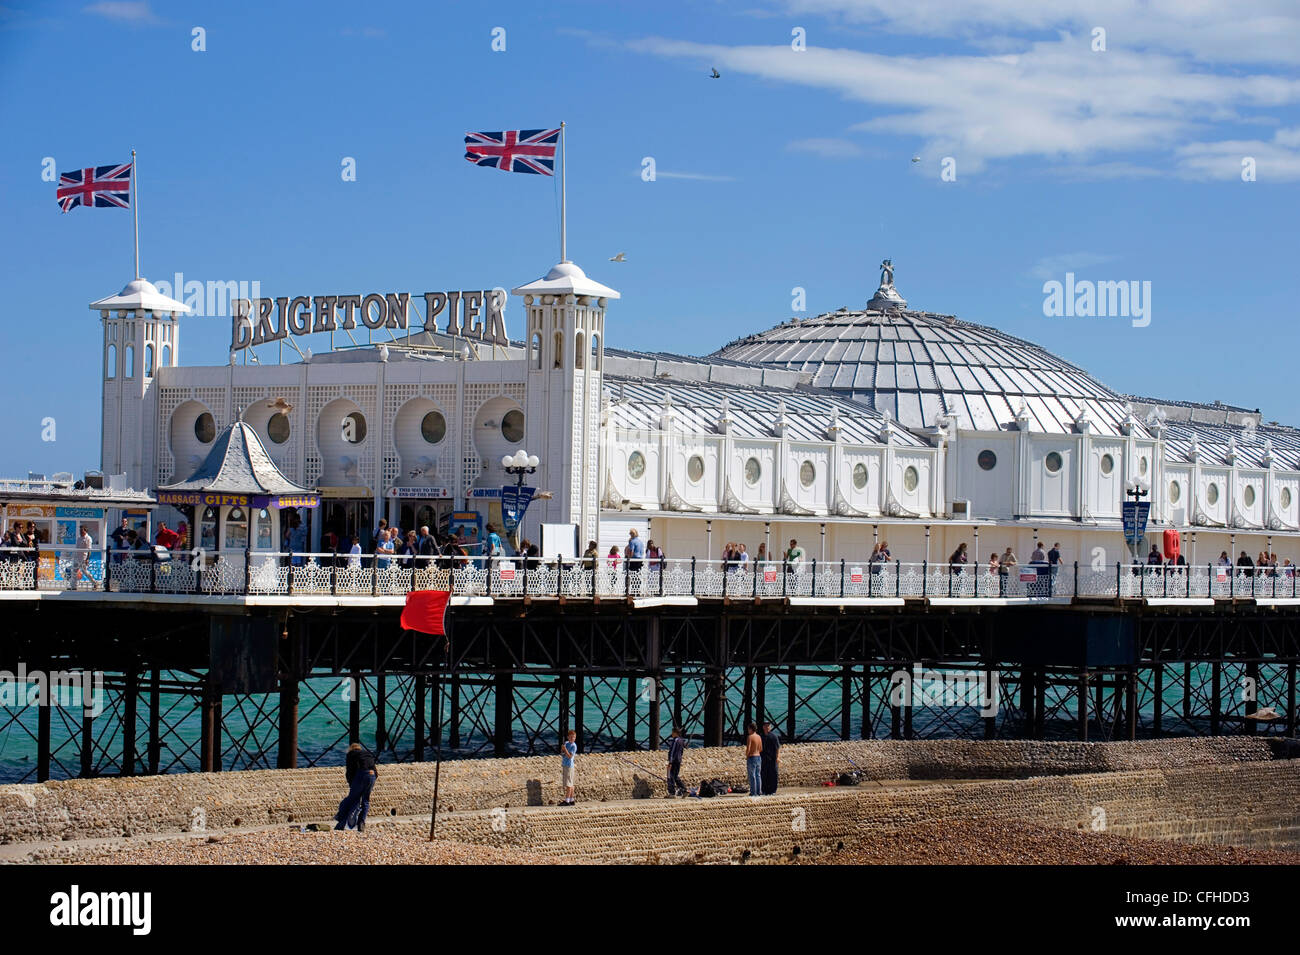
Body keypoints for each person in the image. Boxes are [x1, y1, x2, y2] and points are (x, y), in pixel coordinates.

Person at [334, 742, 378, 832]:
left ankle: (340, 822)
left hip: (361, 775)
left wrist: (351, 784)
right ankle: (361, 823)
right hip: (372, 775)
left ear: (351, 749)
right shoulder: (367, 754)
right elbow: (375, 771)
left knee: (351, 799)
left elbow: (350, 771)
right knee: (365, 801)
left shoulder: (351, 754)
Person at [665, 726, 687, 798]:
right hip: (678, 760)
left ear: (675, 733)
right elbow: (682, 751)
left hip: (674, 760)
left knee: (670, 776)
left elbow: (672, 751)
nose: (671, 734)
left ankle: (672, 793)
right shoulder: (681, 741)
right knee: (675, 776)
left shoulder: (675, 740)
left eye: (672, 732)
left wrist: (670, 761)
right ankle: (684, 790)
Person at [760, 720, 781, 795]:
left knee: (773, 774)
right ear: (763, 727)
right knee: (764, 774)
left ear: (770, 727)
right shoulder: (761, 736)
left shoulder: (774, 736)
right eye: (765, 726)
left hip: (772, 758)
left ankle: (773, 791)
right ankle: (764, 790)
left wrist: (777, 757)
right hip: (763, 758)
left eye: (768, 726)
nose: (767, 727)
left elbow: (777, 748)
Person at [744, 723, 763, 796]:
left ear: (751, 729)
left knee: (752, 776)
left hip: (752, 757)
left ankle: (753, 792)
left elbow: (748, 749)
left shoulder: (750, 737)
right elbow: (761, 749)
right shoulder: (759, 737)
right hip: (758, 756)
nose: (748, 730)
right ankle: (759, 791)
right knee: (758, 775)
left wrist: (747, 755)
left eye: (748, 729)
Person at [560, 729, 578, 806]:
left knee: (569, 784)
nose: (572, 739)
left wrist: (565, 749)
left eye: (573, 737)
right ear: (568, 737)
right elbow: (562, 753)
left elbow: (570, 756)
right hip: (565, 764)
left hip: (569, 766)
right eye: (570, 737)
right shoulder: (567, 743)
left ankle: (567, 800)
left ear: (575, 738)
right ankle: (571, 799)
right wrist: (562, 749)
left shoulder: (574, 746)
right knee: (571, 783)